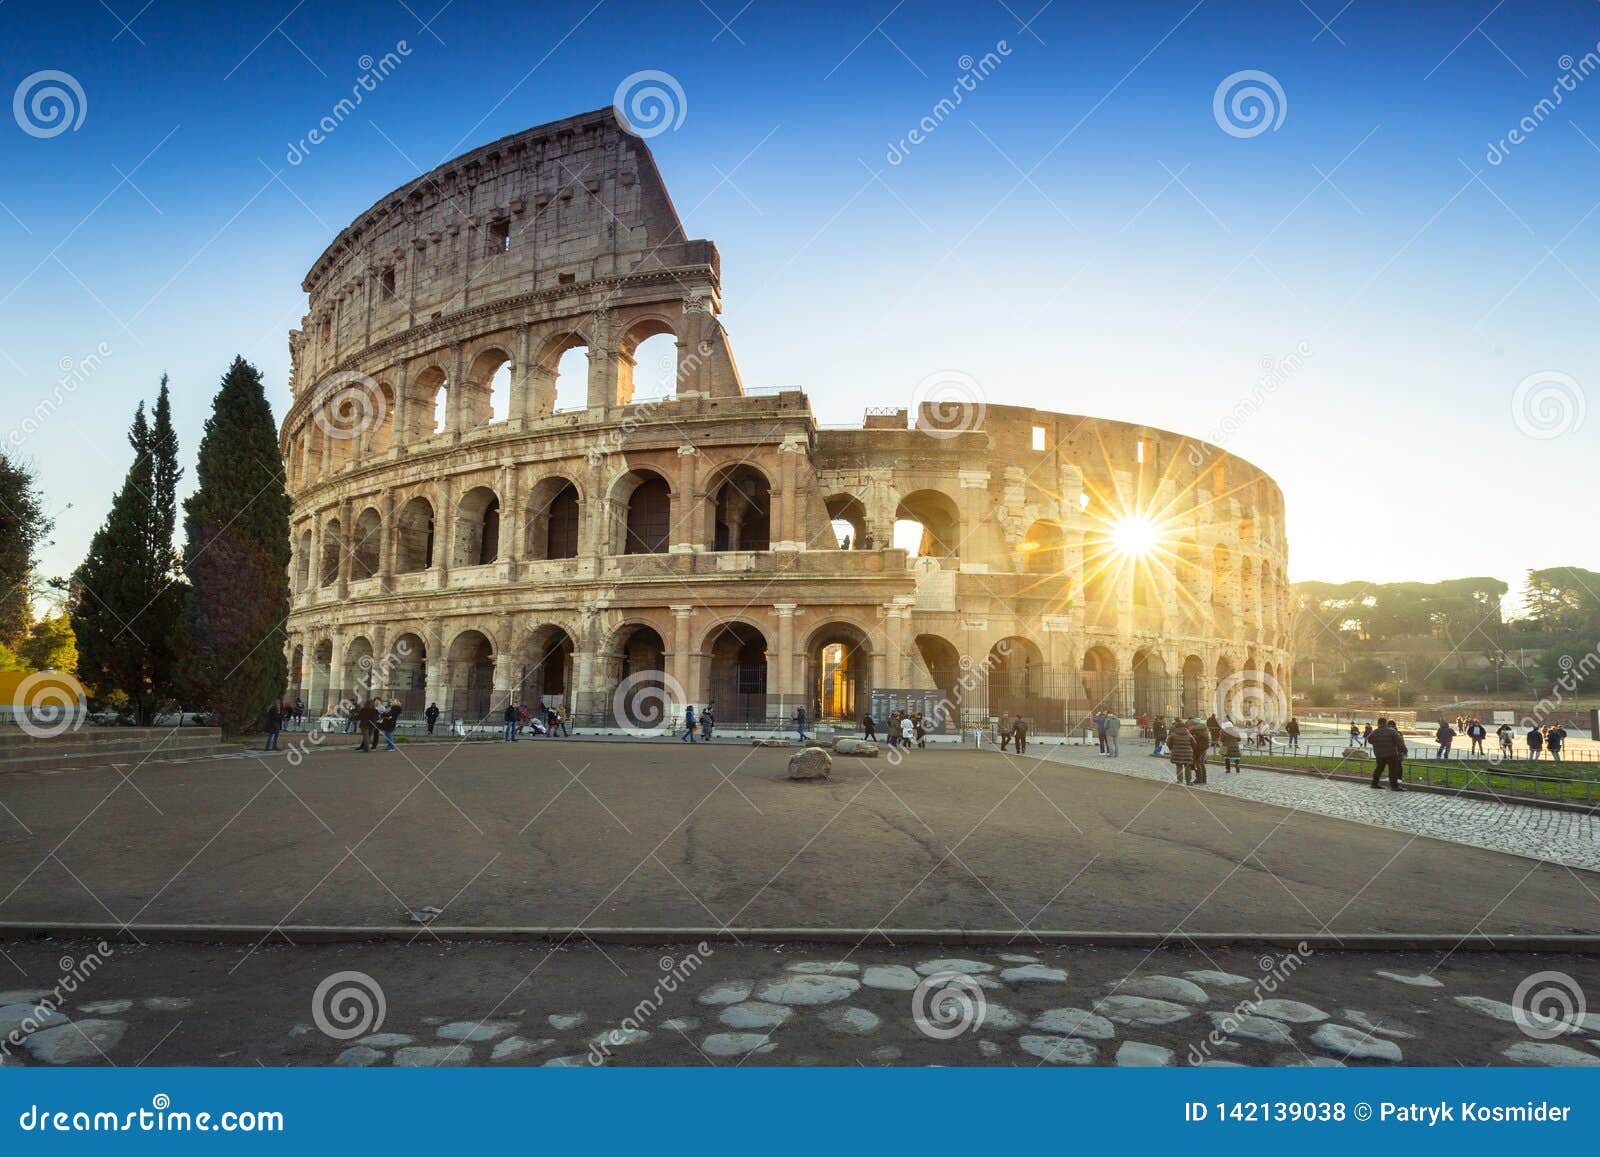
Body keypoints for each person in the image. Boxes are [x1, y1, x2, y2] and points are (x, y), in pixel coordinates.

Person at [1368, 717, 1407, 791]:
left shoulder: (1374, 732)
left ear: (1378, 723)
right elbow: (1400, 743)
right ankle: (1394, 786)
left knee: (1379, 769)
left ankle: (1374, 784)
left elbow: (1369, 740)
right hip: (1391, 754)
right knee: (1393, 770)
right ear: (1385, 723)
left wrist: (1377, 744)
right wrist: (1404, 751)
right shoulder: (1392, 731)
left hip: (1379, 754)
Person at [1167, 718, 1193, 783]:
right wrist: (1191, 749)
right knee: (1188, 767)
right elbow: (1194, 743)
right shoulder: (1189, 734)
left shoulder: (1173, 734)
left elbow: (1168, 742)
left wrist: (1171, 748)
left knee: (1179, 766)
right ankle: (1188, 781)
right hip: (1188, 753)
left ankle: (1180, 780)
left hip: (1177, 752)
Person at [1189, 721, 1209, 785]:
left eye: (1190, 726)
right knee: (1201, 764)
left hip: (1198, 750)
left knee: (1198, 764)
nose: (1189, 727)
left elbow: (1194, 742)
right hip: (1203, 749)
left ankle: (1199, 779)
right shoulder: (1204, 731)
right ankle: (1203, 779)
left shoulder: (1197, 732)